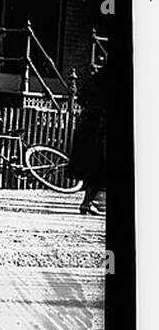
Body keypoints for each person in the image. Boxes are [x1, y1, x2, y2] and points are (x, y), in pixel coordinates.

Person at [68, 58, 110, 215]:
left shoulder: (96, 78)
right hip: (100, 127)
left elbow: (81, 97)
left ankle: (88, 202)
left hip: (86, 127)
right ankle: (90, 202)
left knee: (90, 168)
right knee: (98, 166)